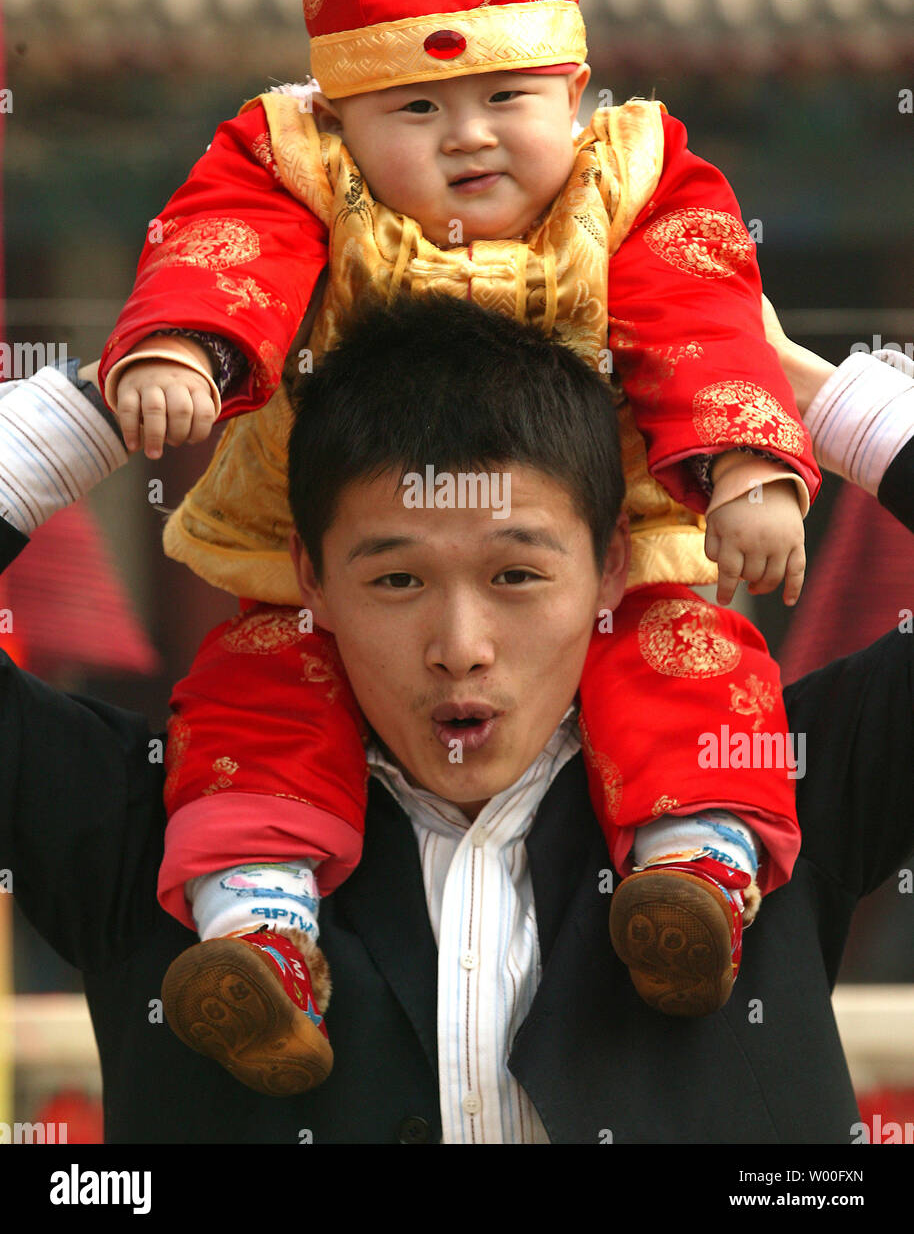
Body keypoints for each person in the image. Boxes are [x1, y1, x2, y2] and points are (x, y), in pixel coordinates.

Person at [86, 0, 823, 1083]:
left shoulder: (628, 185)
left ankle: (696, 869)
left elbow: (699, 316)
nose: (467, 134)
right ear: (338, 121)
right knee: (254, 703)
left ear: (574, 94)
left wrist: (751, 459)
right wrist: (177, 347)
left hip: (611, 532)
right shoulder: (299, 172)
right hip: (309, 544)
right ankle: (259, 932)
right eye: (414, 111)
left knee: (694, 666)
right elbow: (226, 246)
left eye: (504, 95)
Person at [0, 294, 912, 1142]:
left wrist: (786, 391)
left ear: (610, 568)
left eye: (517, 575)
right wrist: (137, 381)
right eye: (397, 580)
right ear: (308, 576)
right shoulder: (162, 816)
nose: (460, 645)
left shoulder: (762, 772)